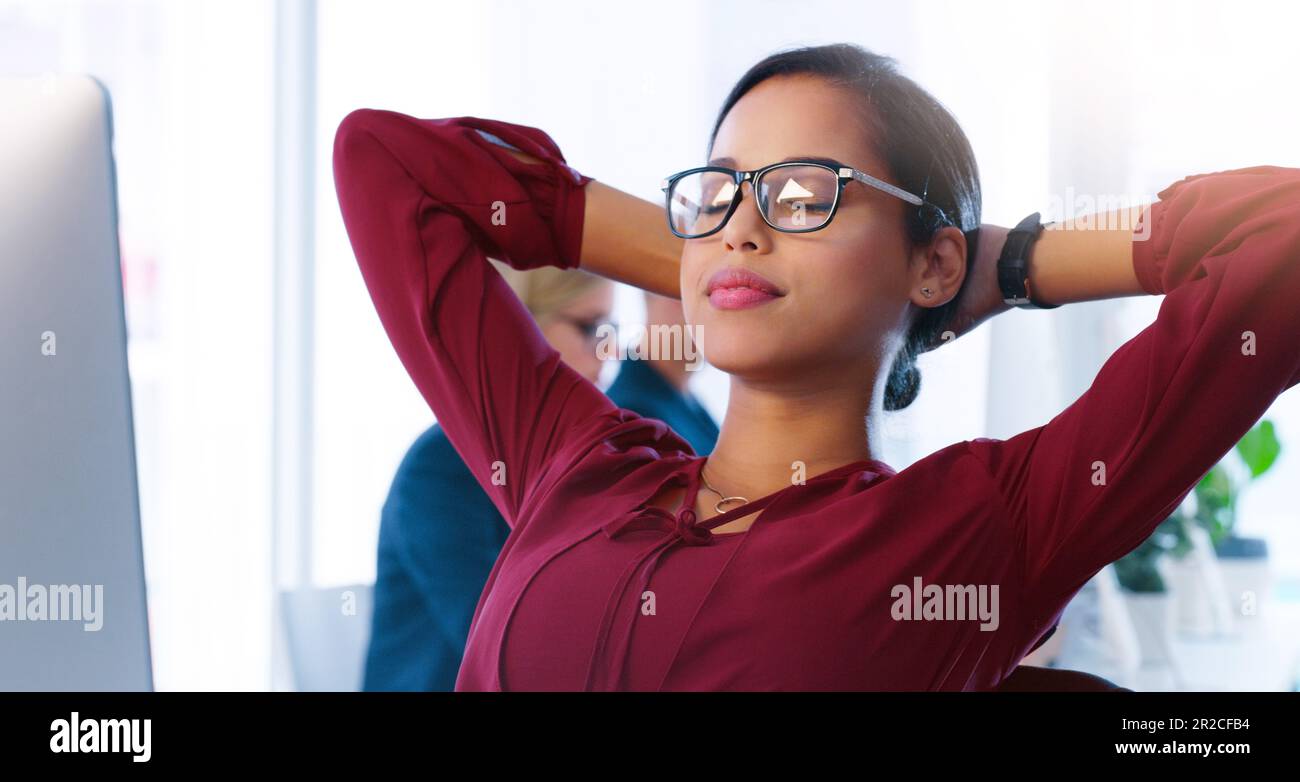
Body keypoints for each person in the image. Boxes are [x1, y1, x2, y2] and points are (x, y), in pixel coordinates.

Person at [333, 43, 1300, 690]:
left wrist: (1009, 265)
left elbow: (1282, 241)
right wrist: (711, 262)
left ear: (933, 262)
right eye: (717, 194)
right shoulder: (571, 463)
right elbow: (385, 161)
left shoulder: (978, 530)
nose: (742, 225)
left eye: (803, 197)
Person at [363, 266, 717, 691]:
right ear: (519, 330)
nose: (610, 351)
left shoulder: (575, 456)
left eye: (610, 329)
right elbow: (503, 648)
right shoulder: (441, 469)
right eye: (590, 328)